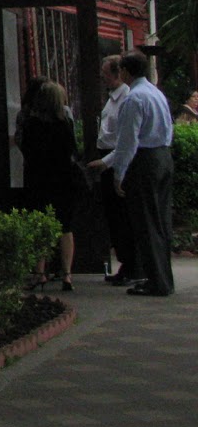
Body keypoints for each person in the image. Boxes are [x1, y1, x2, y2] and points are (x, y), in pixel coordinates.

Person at [89, 51, 175, 296]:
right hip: (163, 156)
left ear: (126, 72)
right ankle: (163, 278)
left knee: (146, 223)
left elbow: (128, 142)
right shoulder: (156, 94)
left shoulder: (134, 99)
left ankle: (156, 281)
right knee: (161, 222)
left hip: (145, 161)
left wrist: (118, 174)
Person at [18, 77, 87, 290]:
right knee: (65, 226)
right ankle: (67, 274)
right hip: (64, 179)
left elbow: (25, 149)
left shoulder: (31, 125)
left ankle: (40, 272)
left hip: (38, 179)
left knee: (40, 224)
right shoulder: (64, 125)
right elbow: (72, 152)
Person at [95, 55, 137, 284]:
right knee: (113, 216)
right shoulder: (112, 99)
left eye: (106, 74)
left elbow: (125, 139)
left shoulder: (126, 99)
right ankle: (125, 264)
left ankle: (130, 265)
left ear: (118, 73)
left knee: (122, 217)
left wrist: (108, 163)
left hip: (114, 158)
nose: (103, 78)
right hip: (107, 155)